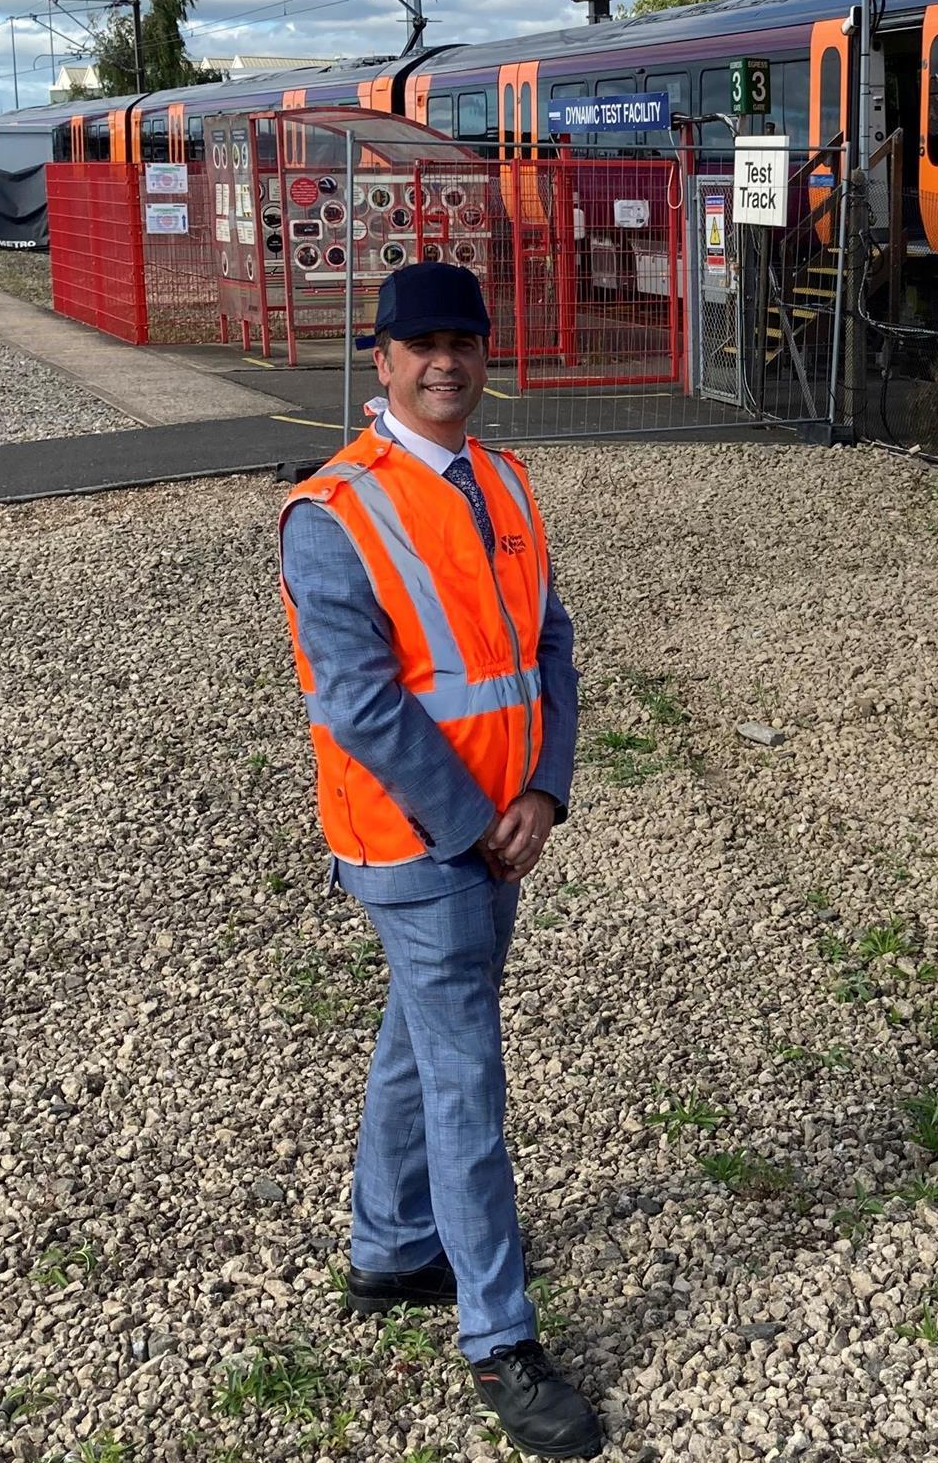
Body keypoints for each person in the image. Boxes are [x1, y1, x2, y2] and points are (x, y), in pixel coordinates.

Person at [277, 261, 604, 1459]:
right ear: (380, 360)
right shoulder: (333, 511)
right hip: (419, 842)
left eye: (462, 339)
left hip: (502, 822)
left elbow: (549, 644)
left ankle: (387, 1246)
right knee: (466, 1075)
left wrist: (547, 787)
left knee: (421, 1036)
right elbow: (358, 705)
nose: (445, 361)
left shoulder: (504, 481)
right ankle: (497, 1337)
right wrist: (480, 821)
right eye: (421, 344)